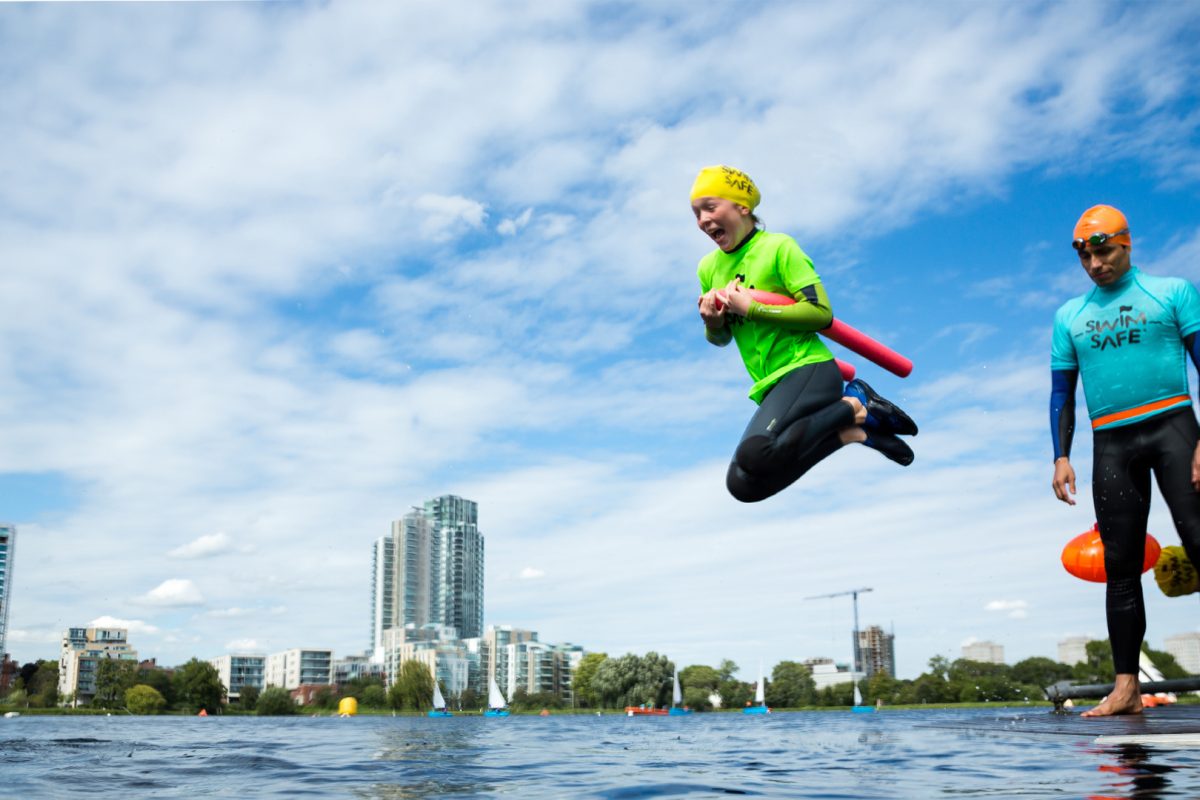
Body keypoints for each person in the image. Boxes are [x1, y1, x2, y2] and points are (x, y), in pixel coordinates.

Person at [1050, 203, 1200, 716]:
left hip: (1175, 429)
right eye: (1085, 257)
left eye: (1105, 252)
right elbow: (1061, 393)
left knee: (1199, 542)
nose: (1095, 265)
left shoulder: (1171, 292)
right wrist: (1061, 456)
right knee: (1121, 566)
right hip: (1112, 444)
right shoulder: (1070, 316)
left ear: (1126, 244)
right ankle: (1127, 687)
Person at [692, 165, 917, 503]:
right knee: (743, 485)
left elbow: (820, 313)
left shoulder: (779, 247)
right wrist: (713, 323)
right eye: (696, 213)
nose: (703, 220)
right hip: (770, 385)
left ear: (742, 206)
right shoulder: (708, 268)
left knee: (755, 455)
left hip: (807, 368)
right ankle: (852, 432)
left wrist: (753, 308)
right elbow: (721, 338)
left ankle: (856, 403)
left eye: (710, 207)